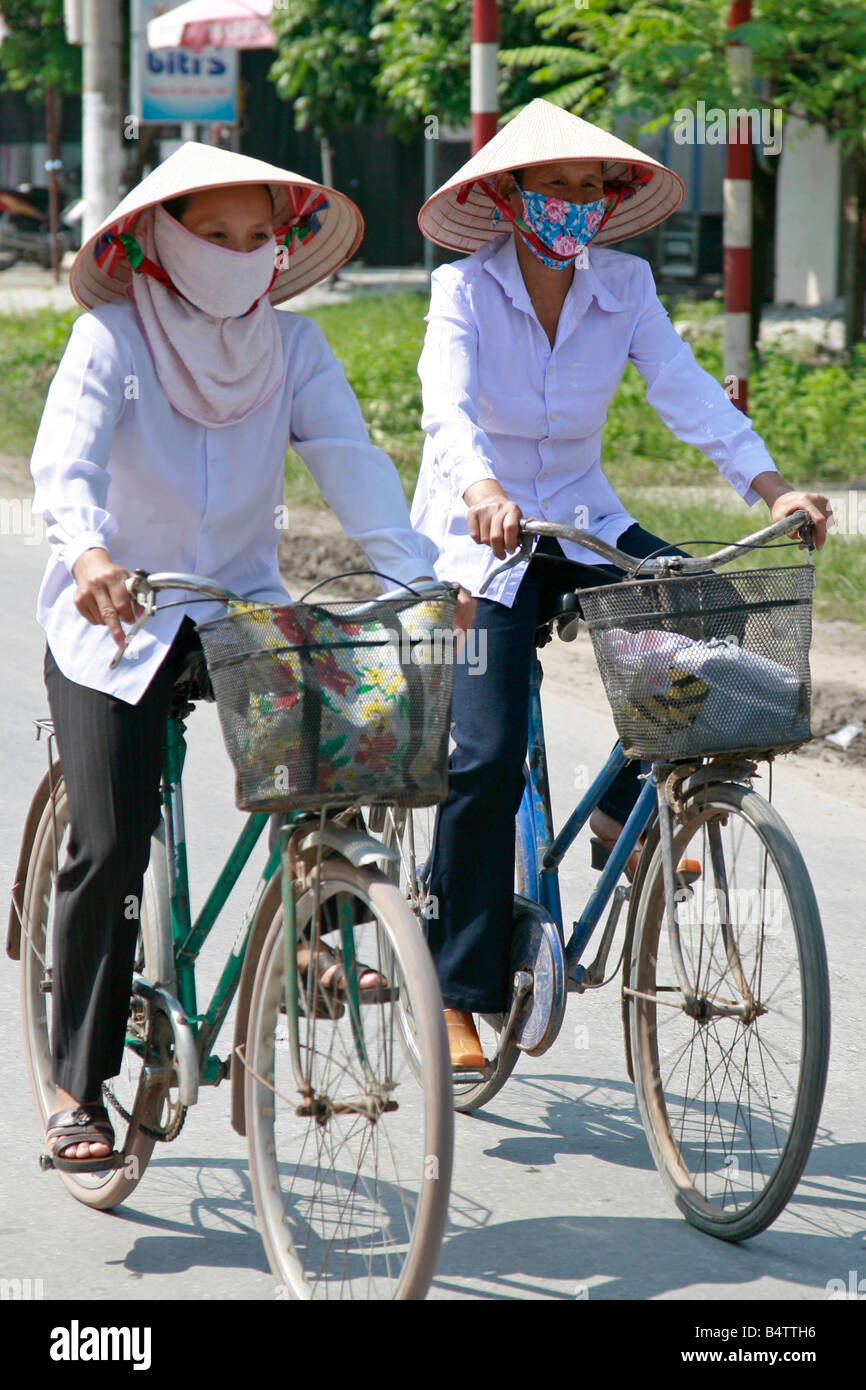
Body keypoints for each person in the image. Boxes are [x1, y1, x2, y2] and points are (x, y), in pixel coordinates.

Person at [30, 142, 470, 1169]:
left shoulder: (295, 348)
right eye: (212, 236)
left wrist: (415, 575)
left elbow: (353, 465)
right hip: (117, 621)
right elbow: (65, 467)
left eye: (255, 236)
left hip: (238, 608)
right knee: (109, 839)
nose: (237, 255)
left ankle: (309, 928)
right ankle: (73, 1083)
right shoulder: (110, 340)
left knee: (345, 732)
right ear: (156, 241)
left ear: (284, 244)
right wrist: (91, 555)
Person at [411, 99, 832, 1068]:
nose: (571, 203)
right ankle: (458, 986)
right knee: (483, 749)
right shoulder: (460, 292)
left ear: (610, 198)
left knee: (709, 615)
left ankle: (617, 808)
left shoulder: (624, 288)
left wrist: (768, 489)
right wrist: (478, 488)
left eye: (588, 187)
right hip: (481, 534)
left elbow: (686, 391)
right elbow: (444, 405)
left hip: (579, 521)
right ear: (509, 197)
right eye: (550, 187)